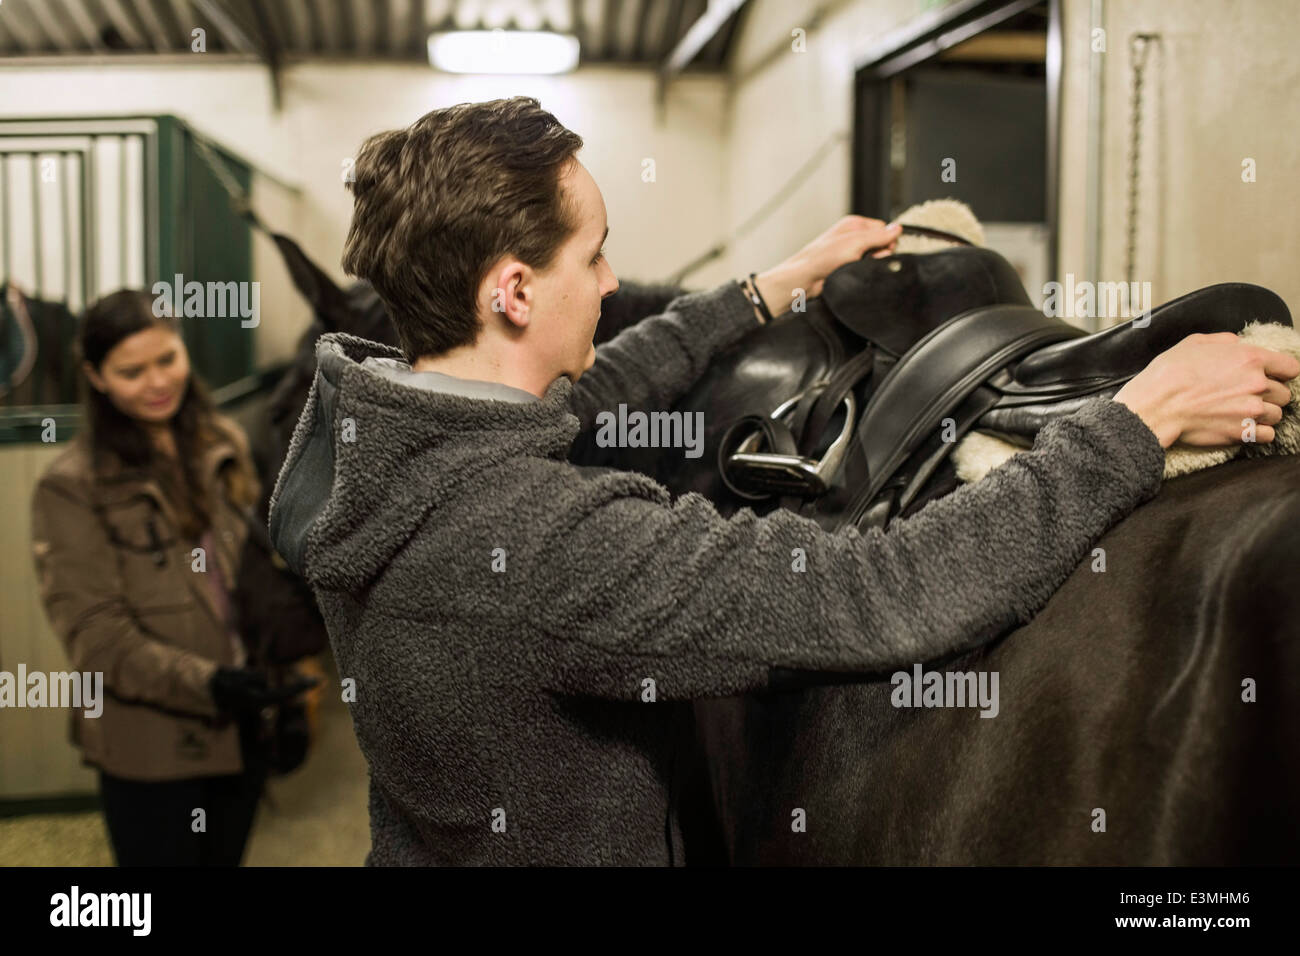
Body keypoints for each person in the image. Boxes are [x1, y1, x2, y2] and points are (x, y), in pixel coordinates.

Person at [268, 96, 1299, 866]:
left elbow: (593, 386)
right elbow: (876, 593)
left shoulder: (377, 445)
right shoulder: (546, 544)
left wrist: (766, 290)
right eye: (596, 256)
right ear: (513, 289)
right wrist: (1136, 421)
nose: (615, 282)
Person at [31, 289, 309, 866]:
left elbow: (255, 586)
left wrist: (282, 697)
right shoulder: (72, 487)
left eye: (168, 359)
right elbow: (97, 637)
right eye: (131, 371)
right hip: (152, 746)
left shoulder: (224, 446)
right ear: (95, 376)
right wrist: (209, 684)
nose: (158, 382)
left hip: (243, 724)